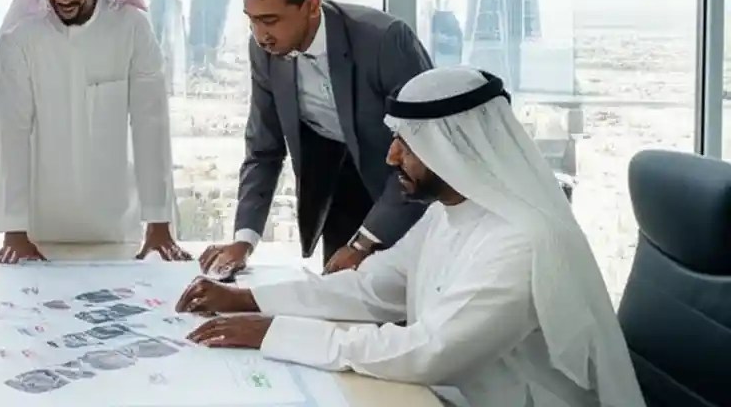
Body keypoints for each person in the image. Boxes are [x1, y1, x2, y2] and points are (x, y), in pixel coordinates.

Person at [176, 66, 644, 407]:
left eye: (408, 143)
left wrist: (277, 333)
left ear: (454, 149)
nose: (392, 157)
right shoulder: (453, 212)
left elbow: (428, 351)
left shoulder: (522, 242)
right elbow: (372, 288)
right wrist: (251, 299)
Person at [199, 0, 432, 277]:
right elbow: (264, 149)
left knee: (403, 302)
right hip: (338, 185)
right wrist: (244, 240)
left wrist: (363, 244)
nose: (260, 35)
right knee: (339, 296)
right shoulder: (263, 50)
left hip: (404, 179)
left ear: (311, 5)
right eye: (252, 21)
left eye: (270, 20)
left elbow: (425, 148)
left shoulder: (384, 41)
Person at [0, 0, 186, 263]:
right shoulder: (19, 39)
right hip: (40, 236)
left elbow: (151, 126)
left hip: (119, 232)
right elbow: (12, 134)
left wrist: (159, 223)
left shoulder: (132, 28)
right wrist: (14, 232)